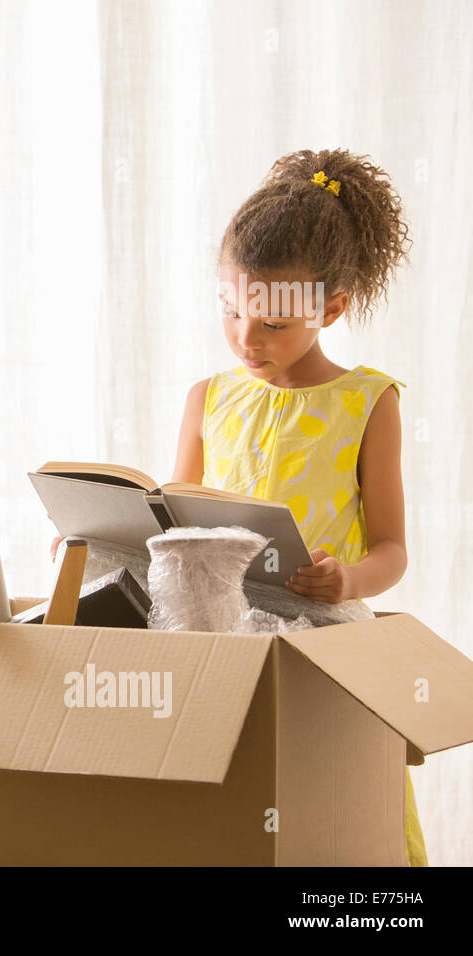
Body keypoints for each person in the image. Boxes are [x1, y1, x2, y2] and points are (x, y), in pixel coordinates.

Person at [171, 147, 424, 865]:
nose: (247, 339)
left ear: (330, 308)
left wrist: (346, 579)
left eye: (273, 325)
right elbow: (174, 521)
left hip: (327, 648)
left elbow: (392, 552)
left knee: (331, 825)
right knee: (236, 825)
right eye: (231, 312)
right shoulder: (208, 399)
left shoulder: (368, 402)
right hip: (223, 649)